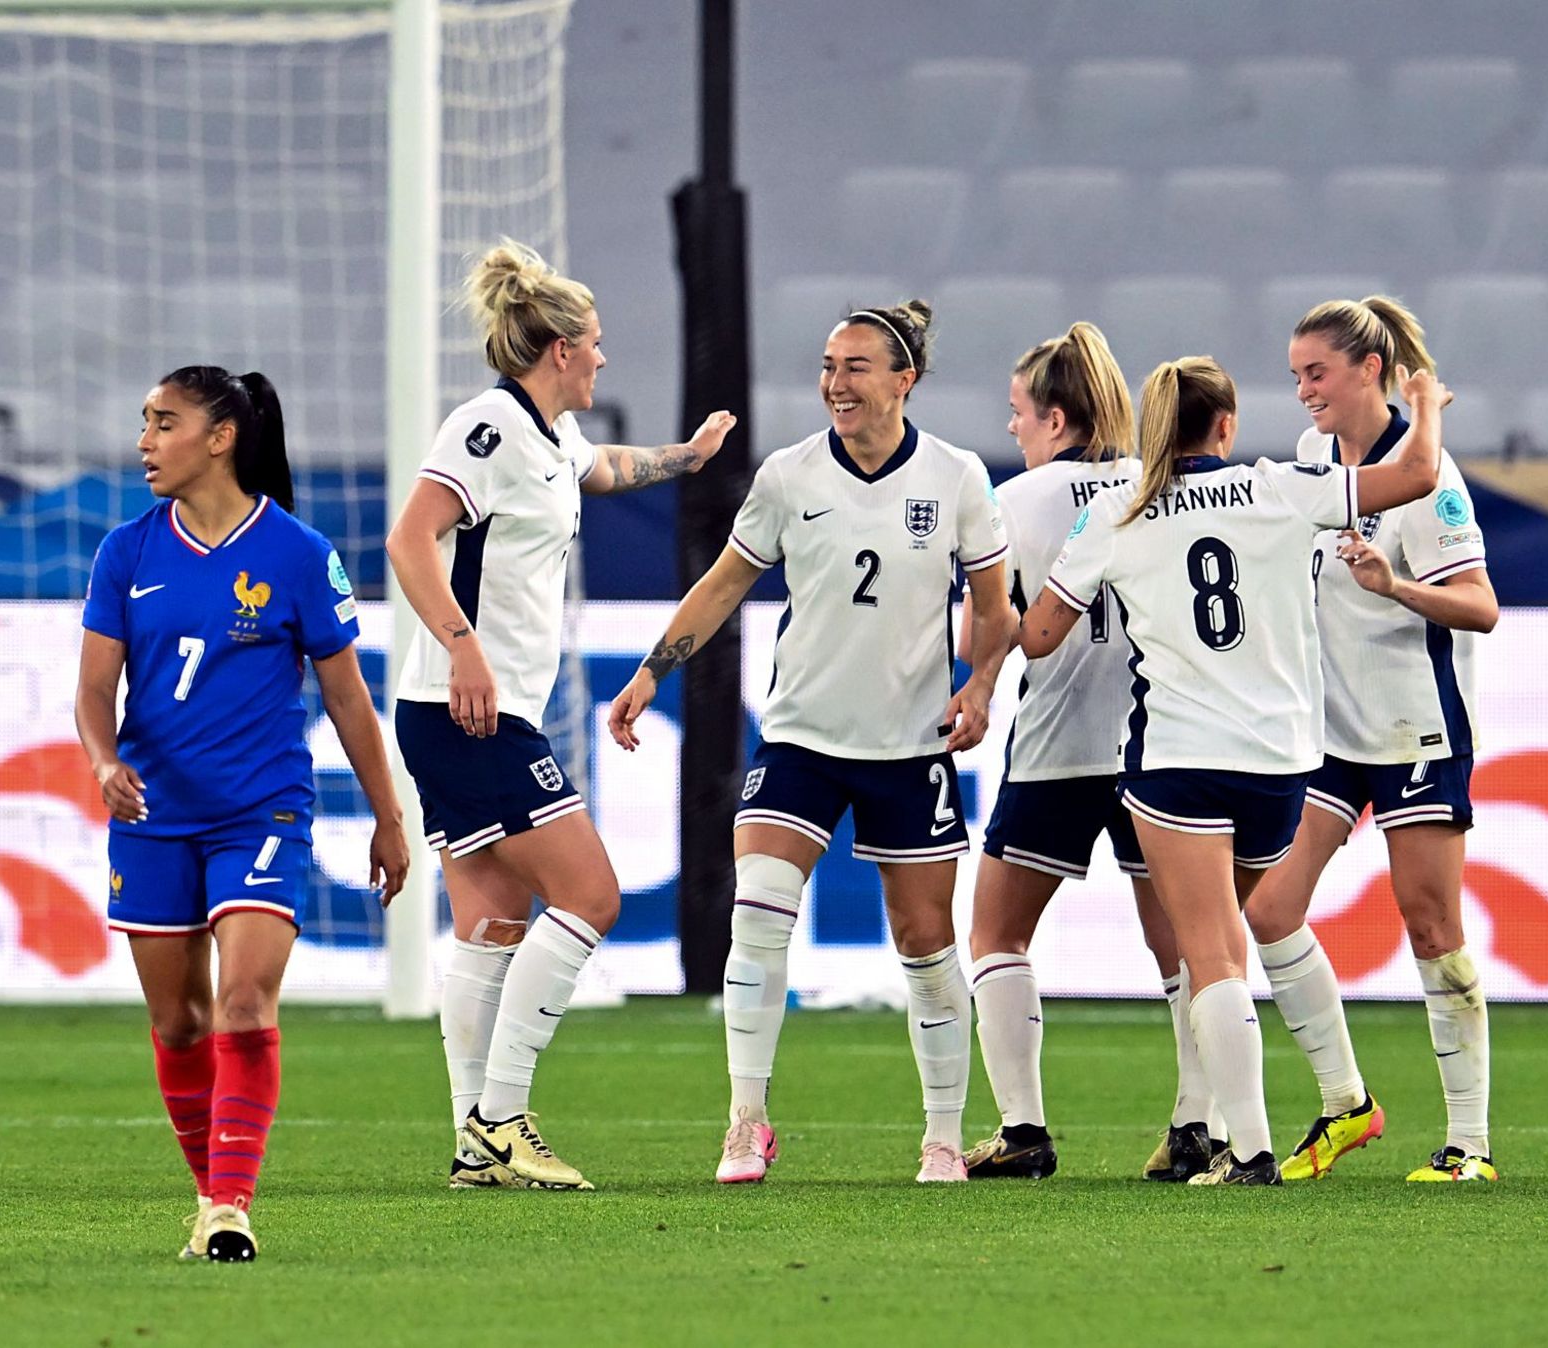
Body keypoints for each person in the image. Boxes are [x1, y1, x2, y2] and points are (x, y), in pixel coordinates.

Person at [607, 300, 1013, 1185]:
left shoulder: (955, 477)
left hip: (909, 747)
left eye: (856, 367)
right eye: (829, 366)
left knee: (925, 944)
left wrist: (980, 685)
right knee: (756, 912)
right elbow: (723, 584)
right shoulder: (789, 475)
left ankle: (943, 1137)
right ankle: (745, 1122)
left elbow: (994, 605)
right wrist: (650, 671)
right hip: (800, 739)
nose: (836, 383)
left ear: (904, 380)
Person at [1020, 354, 1447, 1185]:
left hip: (1178, 759)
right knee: (1239, 936)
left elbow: (1039, 636)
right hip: (1281, 764)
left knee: (1211, 955)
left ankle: (1248, 1151)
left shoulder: (1119, 510)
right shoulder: (1281, 487)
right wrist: (1425, 403)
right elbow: (1418, 473)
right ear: (1227, 424)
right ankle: (1288, 1108)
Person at [386, 240, 734, 1192]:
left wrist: (687, 457)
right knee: (592, 896)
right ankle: (501, 1118)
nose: (604, 358)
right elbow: (410, 538)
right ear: (562, 350)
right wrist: (463, 644)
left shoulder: (548, 436)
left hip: (475, 709)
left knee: (494, 921)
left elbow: (603, 468)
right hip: (469, 708)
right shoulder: (486, 426)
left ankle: (475, 1143)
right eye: (597, 343)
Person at [77, 365, 410, 1263]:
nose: (145, 441)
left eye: (164, 423)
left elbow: (348, 698)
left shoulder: (298, 553)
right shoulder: (127, 552)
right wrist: (104, 762)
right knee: (180, 1023)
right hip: (153, 815)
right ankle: (208, 1197)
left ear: (220, 438)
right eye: (145, 422)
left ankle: (231, 1205)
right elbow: (95, 690)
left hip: (261, 813)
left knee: (244, 999)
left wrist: (388, 816)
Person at [954, 323, 1222, 1183]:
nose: (1012, 428)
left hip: (1057, 746)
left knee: (996, 933)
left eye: (1018, 412)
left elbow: (986, 627)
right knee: (1184, 945)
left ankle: (1023, 1131)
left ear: (1057, 418)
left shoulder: (1015, 500)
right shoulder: (1157, 487)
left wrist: (978, 684)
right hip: (1159, 742)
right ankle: (1199, 1123)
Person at [1244, 297, 1500, 1184]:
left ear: (1369, 370)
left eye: (1316, 373)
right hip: (1330, 734)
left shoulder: (1431, 478)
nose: (1304, 392)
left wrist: (1395, 586)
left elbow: (1480, 607)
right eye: (1295, 377)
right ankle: (1347, 1103)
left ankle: (1469, 1145)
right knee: (1269, 912)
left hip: (1415, 728)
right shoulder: (1314, 459)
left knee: (1430, 925)